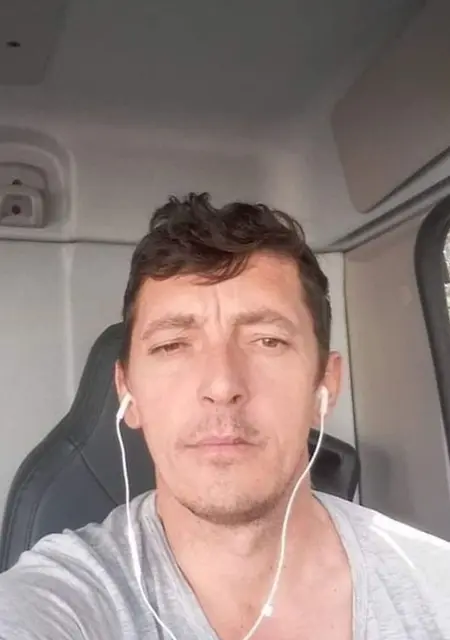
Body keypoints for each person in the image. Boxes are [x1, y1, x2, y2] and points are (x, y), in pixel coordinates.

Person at [0, 193, 449, 640]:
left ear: (325, 385)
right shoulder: (65, 598)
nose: (221, 384)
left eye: (268, 341)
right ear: (128, 394)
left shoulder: (435, 583)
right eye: (172, 345)